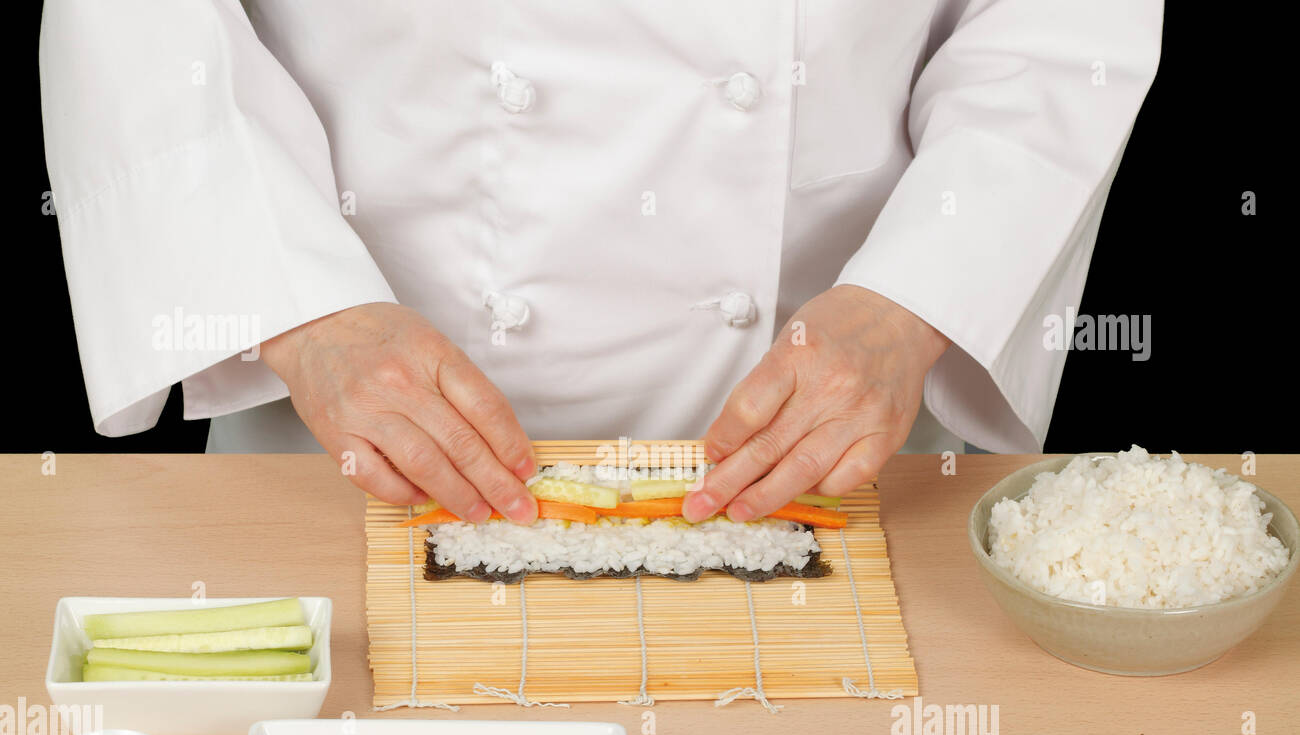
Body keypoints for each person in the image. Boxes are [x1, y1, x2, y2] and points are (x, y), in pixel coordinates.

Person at [40, 1, 1161, 525]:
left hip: (831, 468)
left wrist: (913, 299)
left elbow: (1057, 28)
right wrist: (303, 313)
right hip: (351, 461)